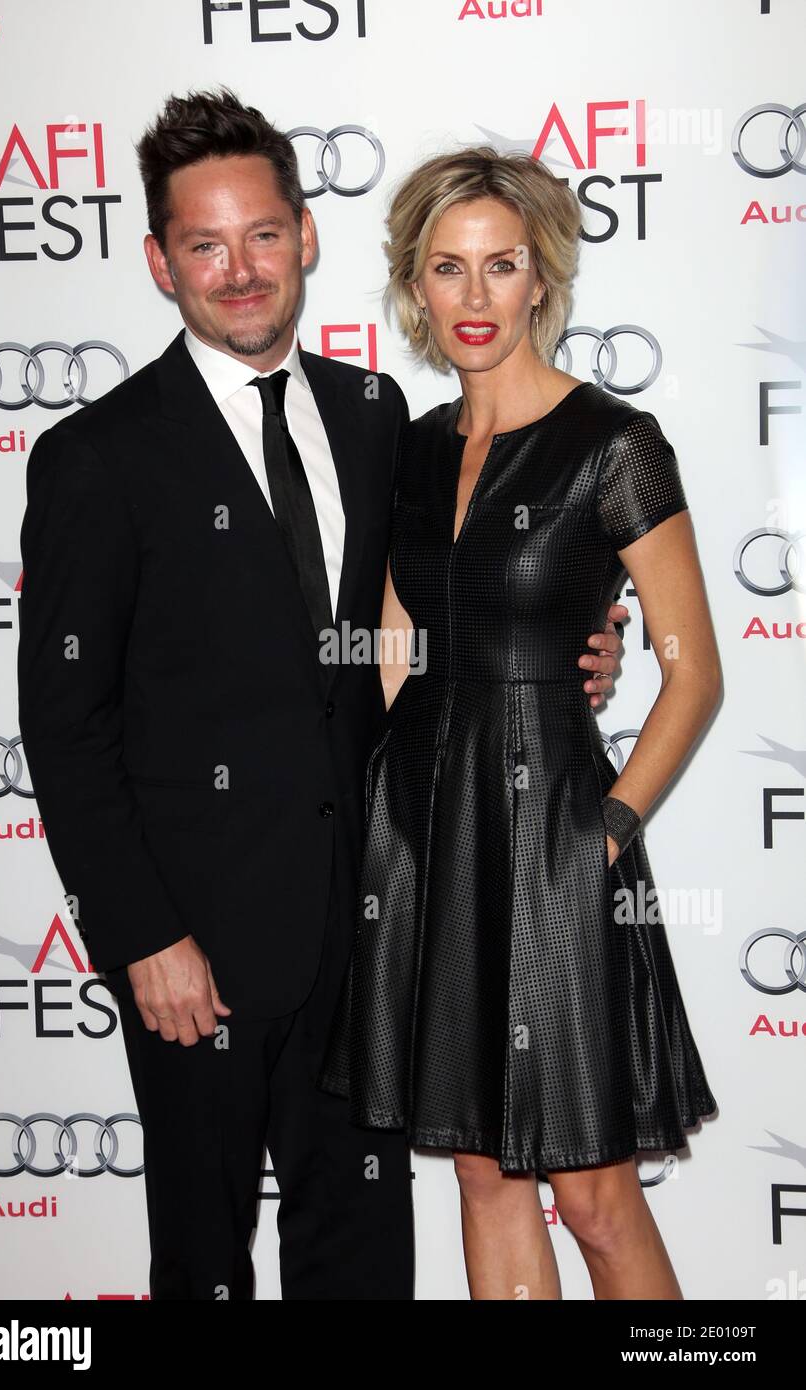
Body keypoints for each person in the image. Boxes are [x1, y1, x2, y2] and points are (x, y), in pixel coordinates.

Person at [17, 91, 627, 1301]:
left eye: (260, 236)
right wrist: (144, 936)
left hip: (370, 918)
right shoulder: (100, 454)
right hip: (196, 946)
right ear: (159, 261)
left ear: (304, 235)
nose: (237, 271)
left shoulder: (372, 414)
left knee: (359, 1257)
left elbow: (435, 608)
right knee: (203, 1260)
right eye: (203, 244)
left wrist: (574, 645)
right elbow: (64, 726)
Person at [318, 147, 721, 1301]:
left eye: (501, 267)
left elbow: (690, 676)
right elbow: (394, 653)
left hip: (553, 830)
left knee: (593, 1193)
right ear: (414, 285)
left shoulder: (614, 444)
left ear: (540, 278)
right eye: (447, 269)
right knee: (483, 1178)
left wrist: (600, 833)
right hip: (426, 836)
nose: (475, 297)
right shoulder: (410, 446)